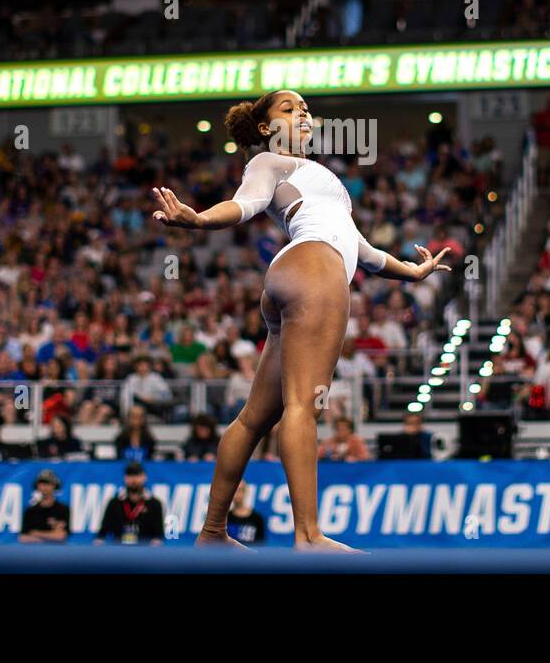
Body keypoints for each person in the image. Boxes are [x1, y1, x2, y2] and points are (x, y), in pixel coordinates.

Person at [153, 90, 450, 550]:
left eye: (306, 108)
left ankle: (213, 532)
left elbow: (365, 252)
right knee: (302, 407)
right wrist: (199, 220)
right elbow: (246, 203)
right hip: (314, 272)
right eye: (288, 110)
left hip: (295, 277)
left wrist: (411, 271)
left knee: (255, 418)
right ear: (268, 129)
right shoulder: (269, 162)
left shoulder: (318, 178)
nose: (303, 114)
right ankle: (307, 535)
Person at [96, 462, 165, 545]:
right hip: (118, 550)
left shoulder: (154, 504)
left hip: (145, 551)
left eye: (137, 475)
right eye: (130, 475)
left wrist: (156, 543)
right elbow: (102, 532)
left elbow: (159, 535)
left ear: (144, 477)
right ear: (125, 478)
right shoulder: (114, 503)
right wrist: (99, 540)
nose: (134, 479)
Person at [19, 470, 71, 543]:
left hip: (58, 552)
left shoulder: (63, 509)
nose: (45, 487)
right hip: (34, 552)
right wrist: (51, 536)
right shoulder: (30, 511)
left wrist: (36, 533)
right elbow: (22, 538)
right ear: (37, 486)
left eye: (48, 484)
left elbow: (62, 536)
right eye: (42, 483)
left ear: (54, 486)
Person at [226, 480, 267, 545]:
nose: (237, 494)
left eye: (240, 490)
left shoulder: (257, 518)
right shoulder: (226, 518)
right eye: (234, 491)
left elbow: (261, 545)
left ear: (245, 492)